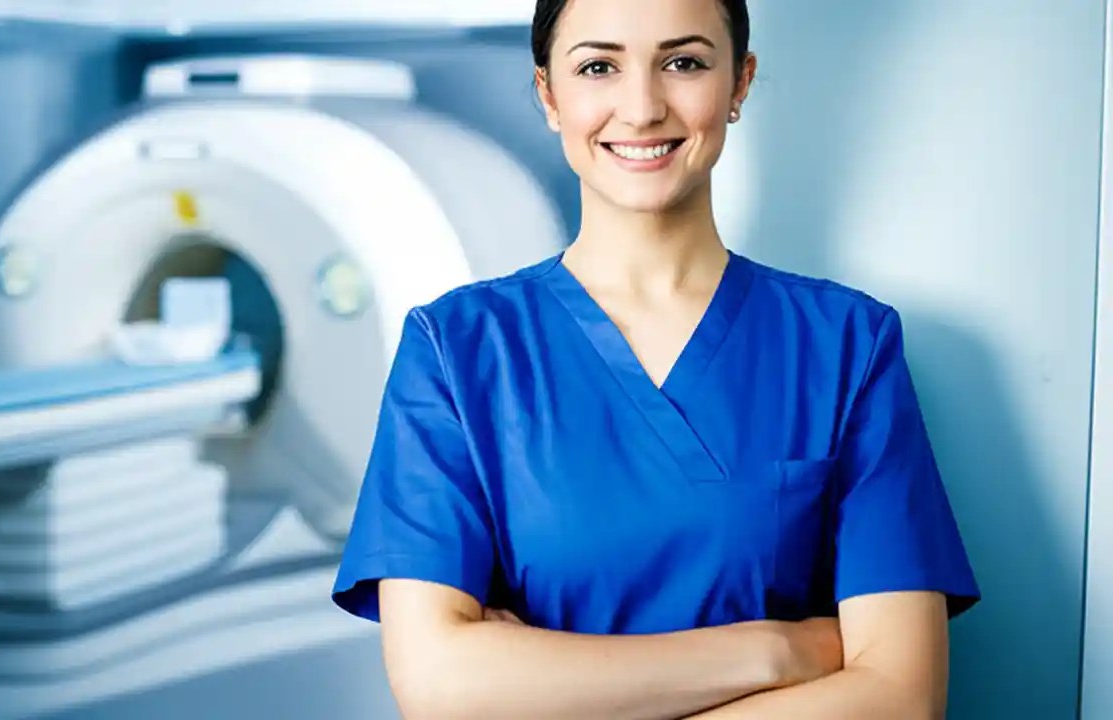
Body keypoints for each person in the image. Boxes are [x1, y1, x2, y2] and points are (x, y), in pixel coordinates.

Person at [331, 0, 981, 717]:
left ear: (739, 84)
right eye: (599, 67)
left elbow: (901, 697)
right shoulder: (457, 349)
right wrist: (776, 652)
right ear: (549, 93)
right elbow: (440, 684)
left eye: (684, 63)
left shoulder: (847, 344)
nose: (641, 108)